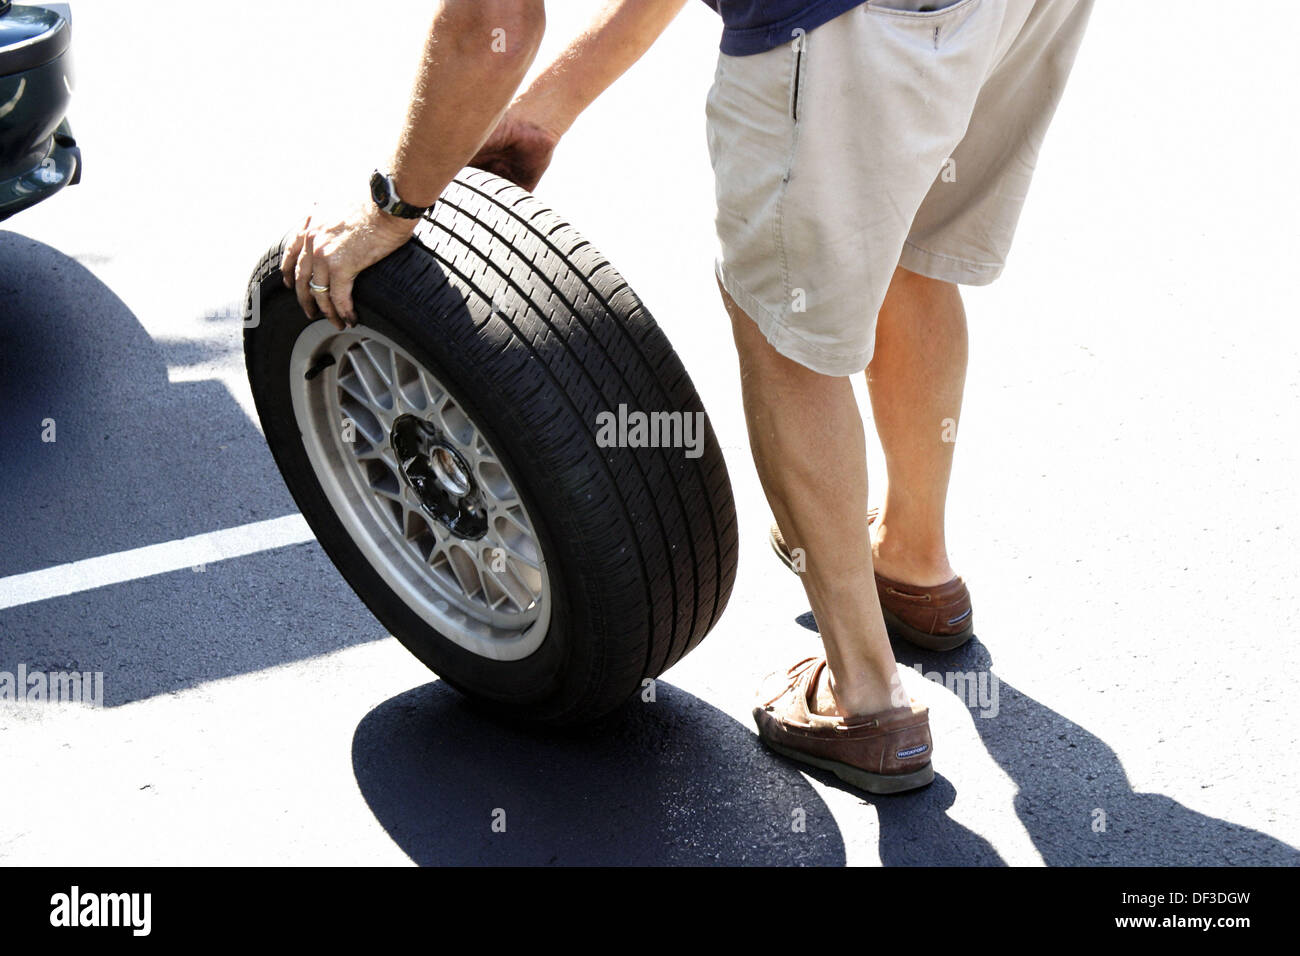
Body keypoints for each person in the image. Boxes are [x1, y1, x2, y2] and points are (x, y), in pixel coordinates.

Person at [281, 0, 1093, 795]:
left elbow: (486, 25)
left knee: (787, 337)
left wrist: (392, 204)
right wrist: (548, 108)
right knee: (911, 249)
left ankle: (867, 699)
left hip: (852, 25)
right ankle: (915, 562)